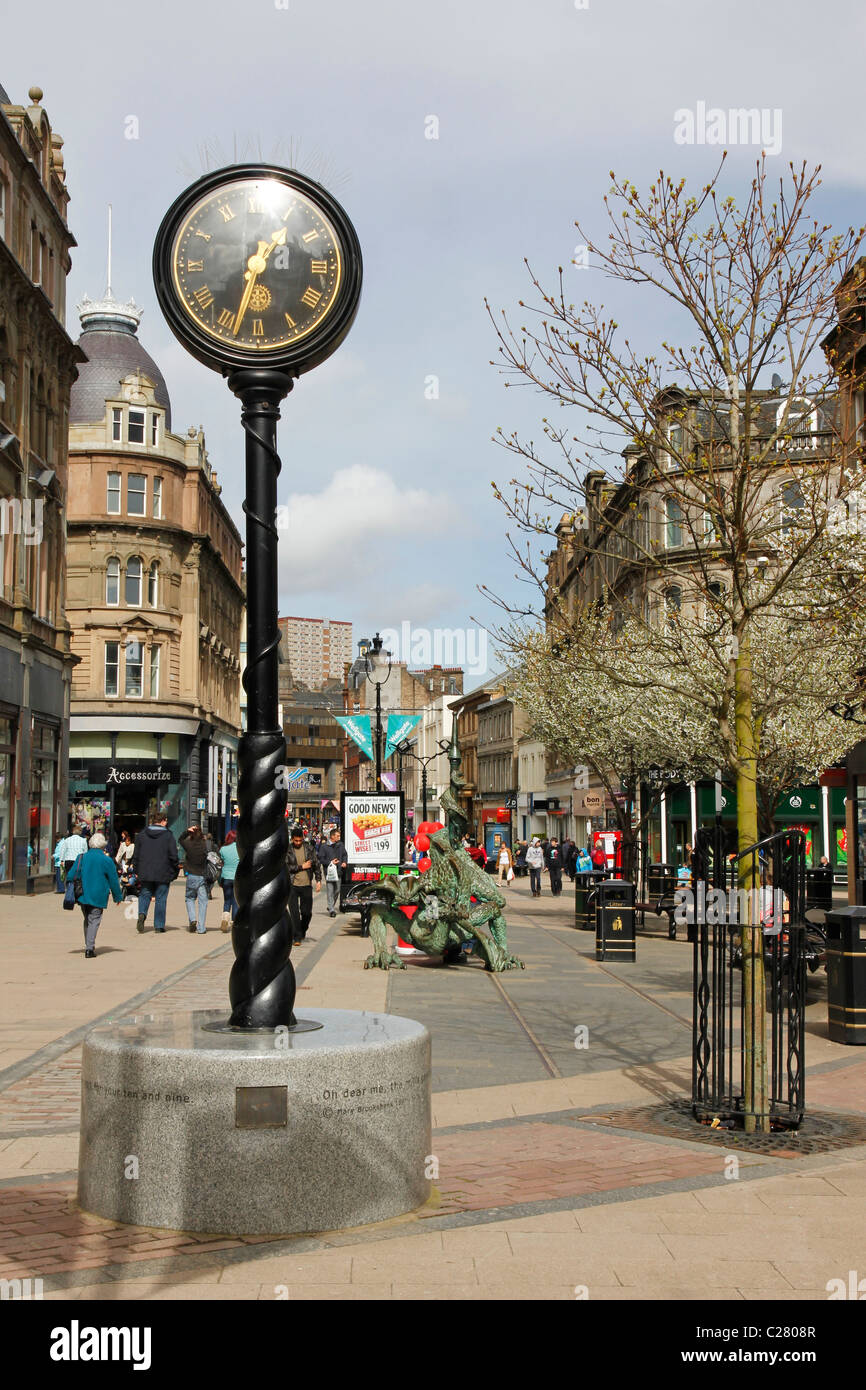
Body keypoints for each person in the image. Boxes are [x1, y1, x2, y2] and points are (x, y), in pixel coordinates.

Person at [70, 832, 123, 958]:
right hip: (98, 894)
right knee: (94, 920)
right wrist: (117, 896)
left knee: (87, 919)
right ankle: (89, 948)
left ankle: (89, 944)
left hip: (82, 895)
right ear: (103, 845)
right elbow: (113, 880)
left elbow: (71, 875)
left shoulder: (81, 857)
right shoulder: (106, 860)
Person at [133, 814, 180, 933]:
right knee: (161, 898)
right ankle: (159, 925)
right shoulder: (168, 835)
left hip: (145, 871)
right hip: (163, 872)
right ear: (163, 821)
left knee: (144, 894)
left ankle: (142, 914)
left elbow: (136, 855)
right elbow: (173, 855)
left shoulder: (142, 834)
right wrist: (175, 869)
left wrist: (136, 870)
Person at [286, 825, 321, 943]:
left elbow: (316, 864)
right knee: (294, 913)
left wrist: (319, 880)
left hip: (306, 885)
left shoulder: (309, 848)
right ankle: (296, 937)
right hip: (292, 885)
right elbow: (285, 867)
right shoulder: (288, 850)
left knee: (306, 913)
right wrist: (301, 867)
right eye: (295, 840)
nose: (298, 842)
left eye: (300, 840)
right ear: (292, 839)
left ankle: (302, 929)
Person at [179, 826, 209, 934]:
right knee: (203, 902)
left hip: (191, 875)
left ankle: (192, 919)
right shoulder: (204, 845)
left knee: (189, 898)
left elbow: (180, 839)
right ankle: (201, 928)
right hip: (201, 876)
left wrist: (187, 831)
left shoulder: (188, 844)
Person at [317, 826, 348, 917]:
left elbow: (344, 855)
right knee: (330, 890)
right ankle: (331, 909)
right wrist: (330, 862)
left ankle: (331, 905)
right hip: (329, 872)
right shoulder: (324, 846)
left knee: (337, 890)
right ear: (332, 836)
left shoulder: (340, 845)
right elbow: (321, 859)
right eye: (337, 836)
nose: (339, 837)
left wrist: (344, 862)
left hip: (338, 871)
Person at [219, 830, 240, 931]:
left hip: (226, 877)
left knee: (227, 900)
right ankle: (234, 922)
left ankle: (225, 919)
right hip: (236, 878)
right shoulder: (239, 848)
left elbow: (221, 861)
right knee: (235, 901)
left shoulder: (223, 849)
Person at [115, 829, 135, 894]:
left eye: (128, 842)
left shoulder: (133, 846)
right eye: (126, 842)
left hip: (129, 862)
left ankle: (126, 886)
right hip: (122, 861)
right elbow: (119, 852)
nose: (127, 843)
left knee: (127, 873)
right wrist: (116, 859)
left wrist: (132, 863)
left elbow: (133, 855)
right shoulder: (122, 845)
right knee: (122, 873)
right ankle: (120, 887)